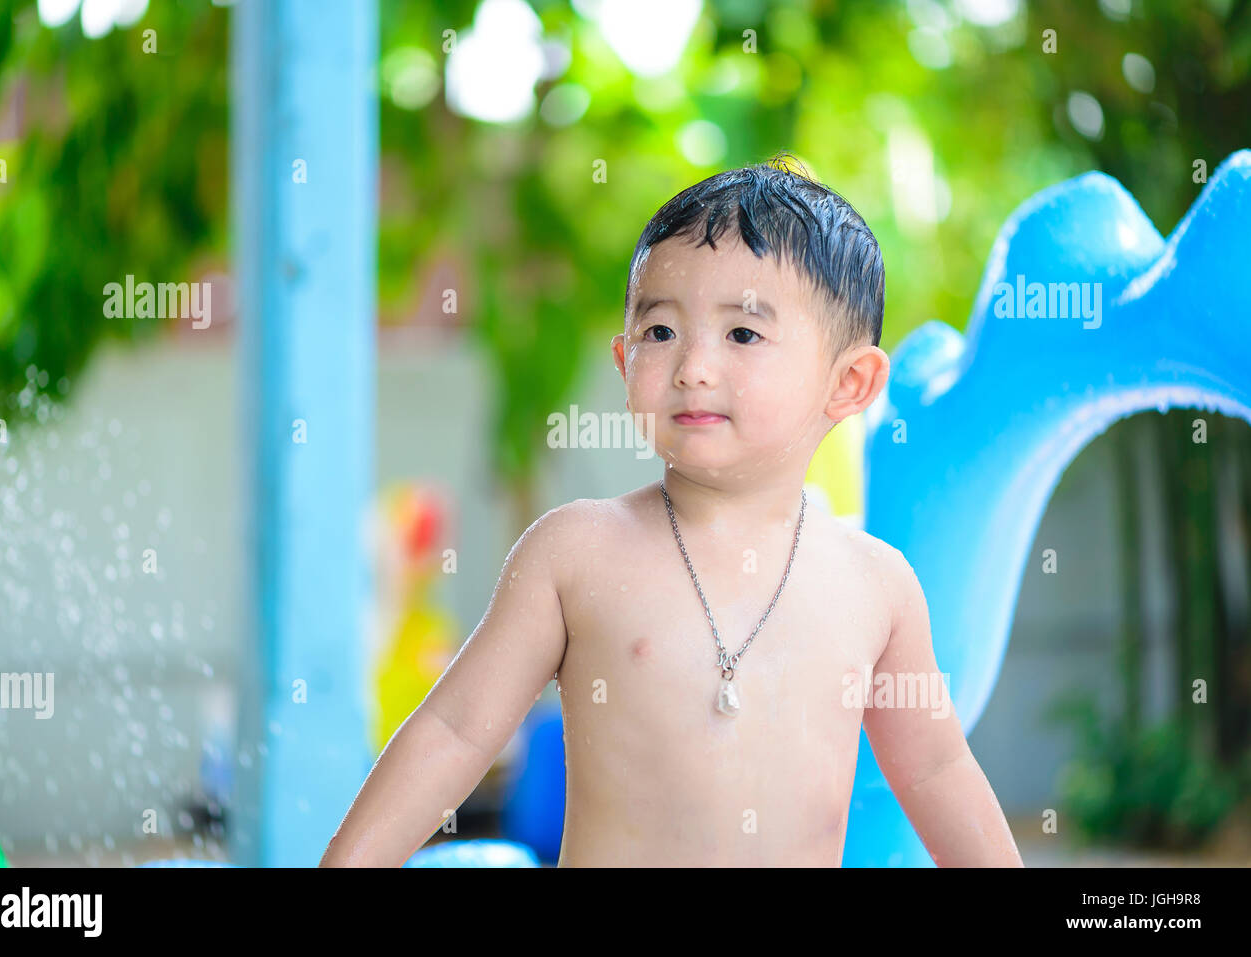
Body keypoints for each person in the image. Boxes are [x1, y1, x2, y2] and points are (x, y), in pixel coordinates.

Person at [321, 151, 1024, 867]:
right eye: (661, 332)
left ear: (847, 383)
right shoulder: (575, 553)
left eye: (743, 333)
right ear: (628, 365)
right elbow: (454, 729)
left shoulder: (876, 584)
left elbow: (936, 770)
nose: (692, 365)